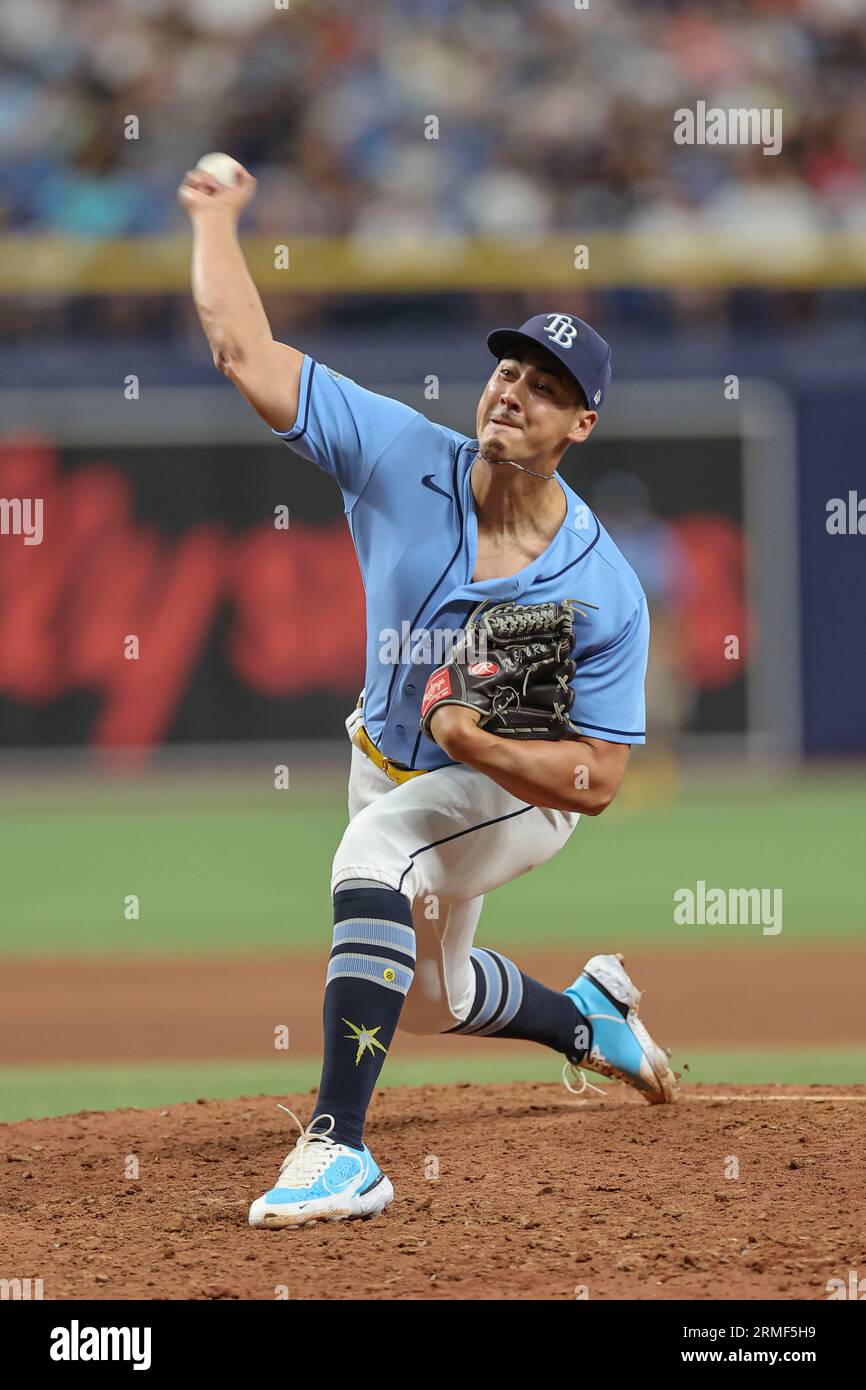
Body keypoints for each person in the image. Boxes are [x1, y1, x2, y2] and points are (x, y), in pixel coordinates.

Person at [179, 160, 676, 1231]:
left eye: (546, 387)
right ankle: (587, 1019)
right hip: (389, 758)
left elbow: (598, 778)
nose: (513, 392)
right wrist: (214, 219)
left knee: (374, 858)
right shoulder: (400, 451)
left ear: (579, 426)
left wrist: (473, 739)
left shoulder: (601, 587)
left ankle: (337, 1146)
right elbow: (244, 351)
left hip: (513, 793)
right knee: (436, 995)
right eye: (509, 370)